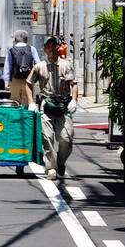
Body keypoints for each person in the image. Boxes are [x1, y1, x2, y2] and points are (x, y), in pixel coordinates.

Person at [27, 38, 78, 178]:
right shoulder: (39, 66)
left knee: (66, 138)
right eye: (48, 46)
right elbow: (28, 83)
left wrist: (74, 100)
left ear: (58, 48)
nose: (51, 49)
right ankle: (51, 168)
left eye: (53, 45)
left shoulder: (66, 65)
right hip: (47, 105)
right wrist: (31, 102)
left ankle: (60, 163)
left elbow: (73, 83)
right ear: (43, 49)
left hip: (63, 105)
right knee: (46, 138)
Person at [2, 31, 41, 105]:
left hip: (15, 80)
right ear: (27, 40)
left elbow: (7, 67)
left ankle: (15, 116)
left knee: (14, 103)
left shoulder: (11, 50)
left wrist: (6, 82)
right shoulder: (32, 49)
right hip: (28, 81)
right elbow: (38, 64)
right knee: (26, 103)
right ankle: (25, 116)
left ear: (15, 41)